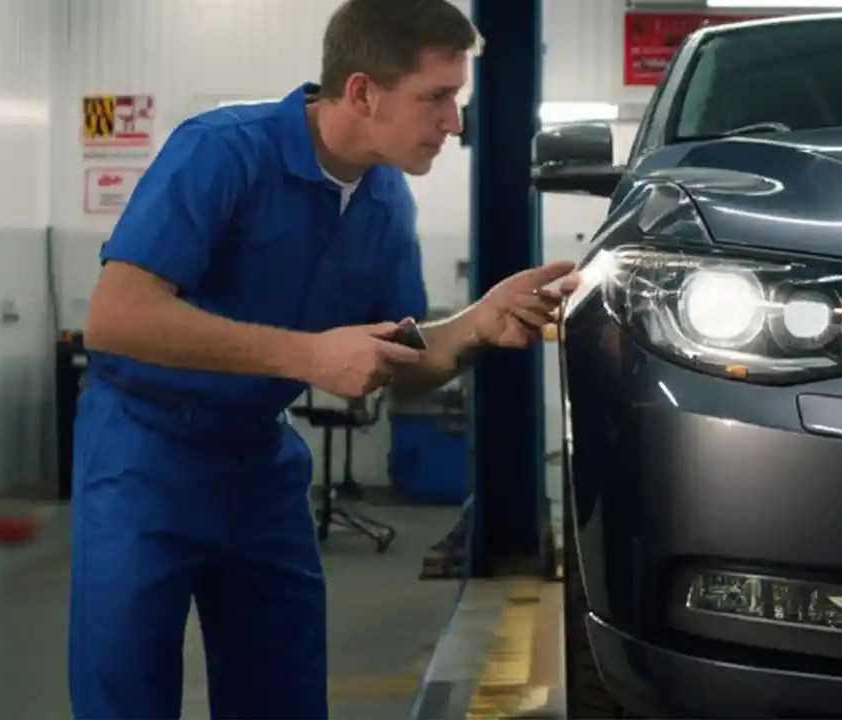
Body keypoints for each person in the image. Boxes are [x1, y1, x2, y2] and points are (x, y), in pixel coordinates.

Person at [67, 0, 577, 717]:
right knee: (126, 682)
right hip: (143, 452)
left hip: (258, 462)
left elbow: (402, 363)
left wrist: (475, 326)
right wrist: (305, 354)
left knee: (280, 688)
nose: (454, 122)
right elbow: (115, 318)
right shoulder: (222, 150)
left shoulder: (384, 197)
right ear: (364, 91)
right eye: (437, 97)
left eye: (456, 99)